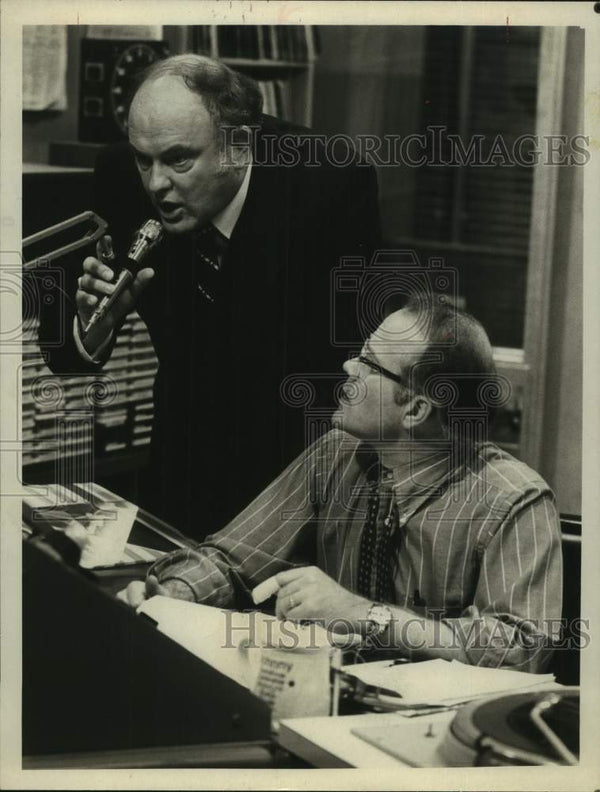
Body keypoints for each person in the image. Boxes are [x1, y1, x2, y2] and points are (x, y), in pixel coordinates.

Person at [118, 297, 563, 672]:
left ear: (415, 410)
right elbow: (233, 559)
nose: (349, 366)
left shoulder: (514, 498)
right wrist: (170, 594)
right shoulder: (337, 452)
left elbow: (520, 648)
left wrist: (363, 616)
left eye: (369, 363)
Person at [38, 54, 380, 539]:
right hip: (182, 456)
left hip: (299, 467)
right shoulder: (119, 173)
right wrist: (91, 329)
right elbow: (63, 351)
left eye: (179, 159)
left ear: (237, 147)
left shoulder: (328, 182)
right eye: (144, 160)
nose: (156, 184)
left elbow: (356, 350)